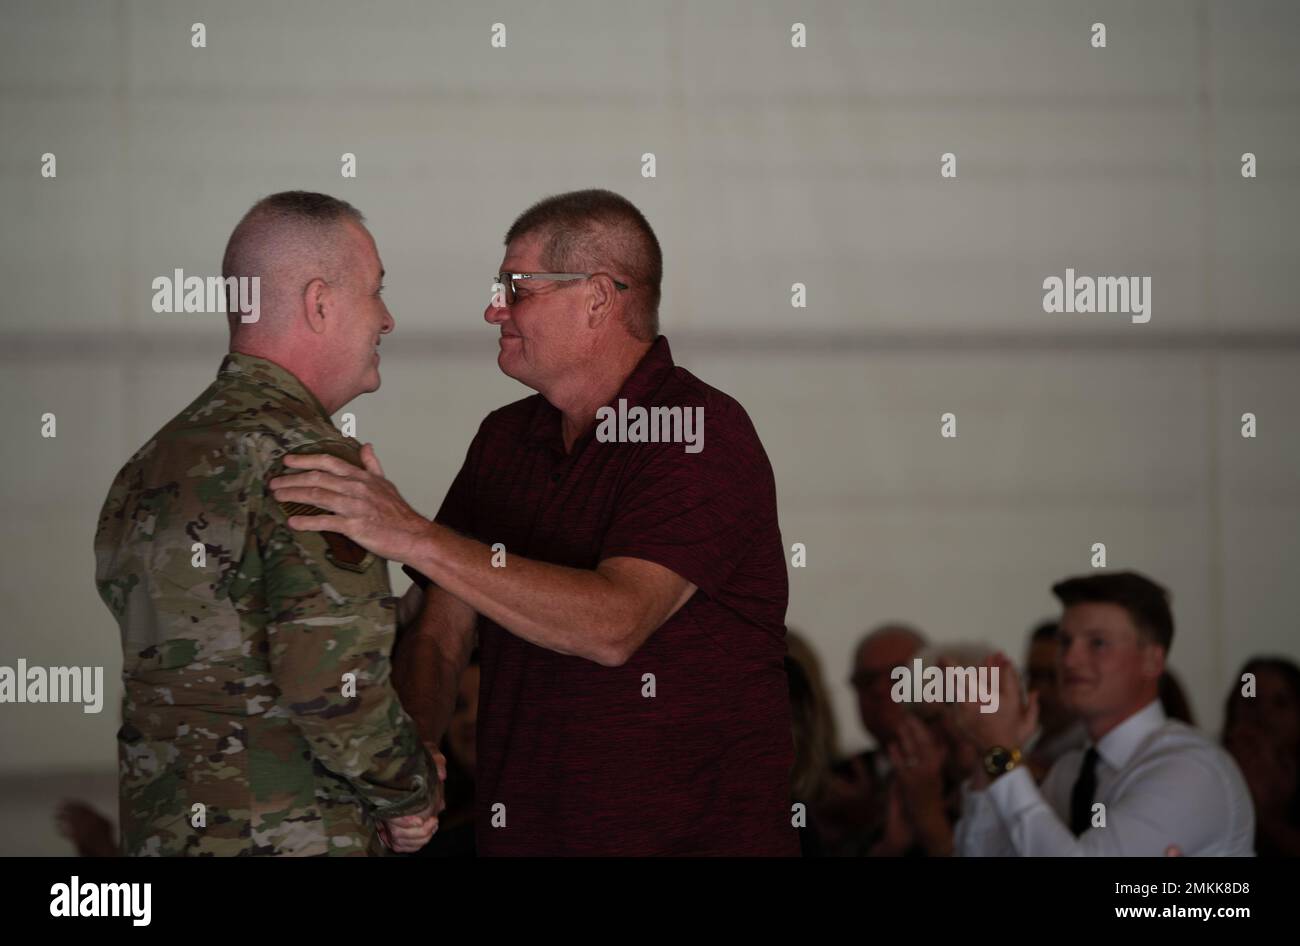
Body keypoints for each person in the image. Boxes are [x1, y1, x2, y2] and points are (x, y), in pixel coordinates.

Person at [270, 189, 797, 855]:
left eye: (517, 289)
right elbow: (440, 632)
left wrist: (412, 533)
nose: (495, 309)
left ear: (599, 298)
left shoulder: (699, 432)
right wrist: (416, 754)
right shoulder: (505, 441)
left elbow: (614, 625)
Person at [94, 191, 438, 856]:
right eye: (376, 292)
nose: (388, 320)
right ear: (319, 303)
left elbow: (215, 652)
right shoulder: (313, 464)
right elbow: (329, 686)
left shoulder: (147, 466)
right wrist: (412, 792)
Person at [953, 571, 1254, 856]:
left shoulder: (1189, 769)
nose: (1070, 659)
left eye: (1097, 643)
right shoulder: (1071, 771)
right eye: (1065, 642)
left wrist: (1003, 752)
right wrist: (988, 752)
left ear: (1152, 660)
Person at [817, 623, 926, 855]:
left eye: (897, 676)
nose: (877, 690)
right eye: (866, 680)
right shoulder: (834, 783)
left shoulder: (967, 771)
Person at [1223, 657, 1300, 856]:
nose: (1263, 713)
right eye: (1251, 701)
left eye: (1280, 703)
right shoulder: (1210, 767)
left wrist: (1266, 815)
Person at [1021, 621, 1085, 781]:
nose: (1039, 689)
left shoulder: (1090, 755)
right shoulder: (1035, 743)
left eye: (1053, 676)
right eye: (1033, 675)